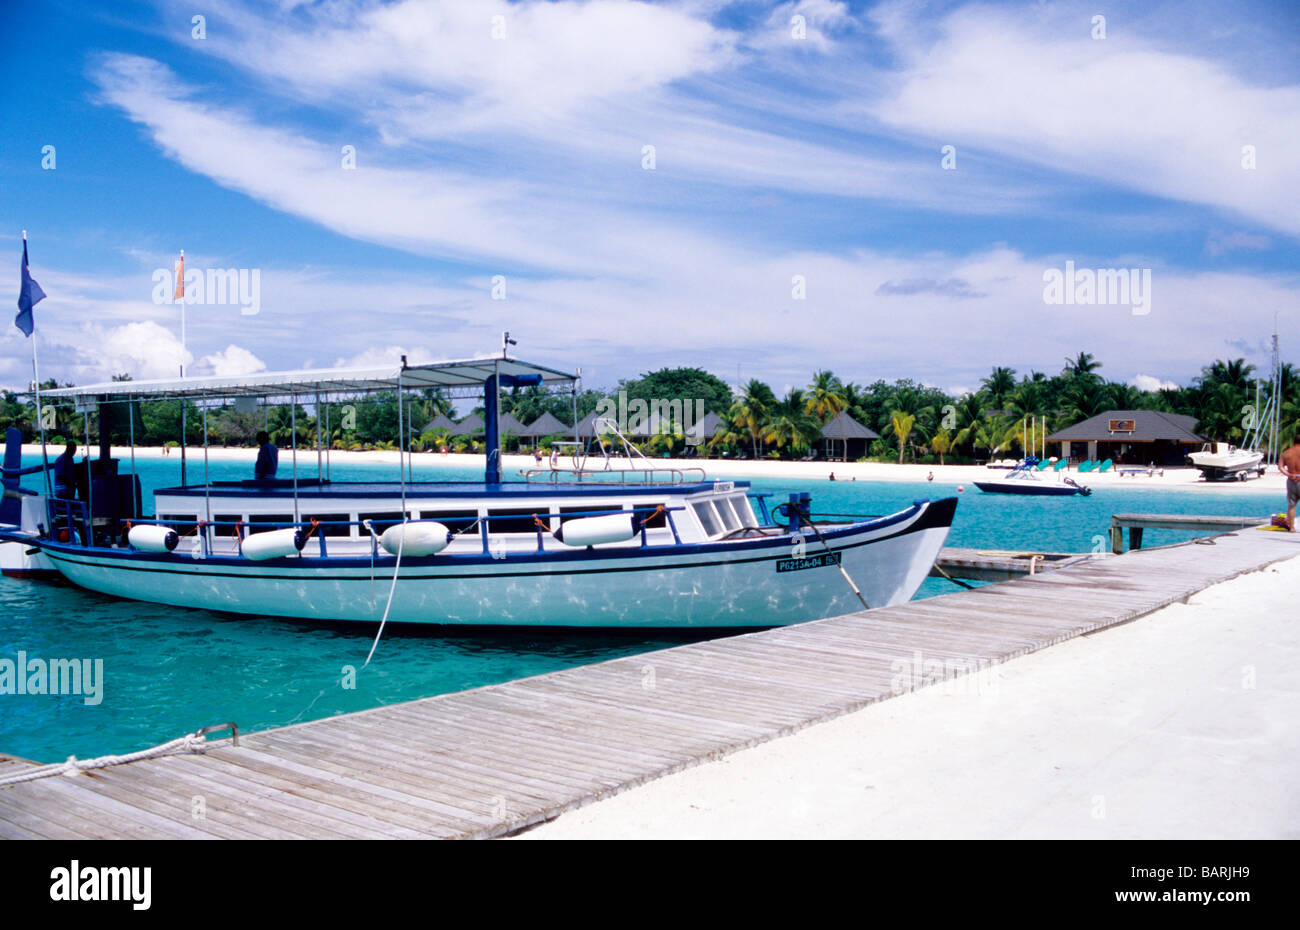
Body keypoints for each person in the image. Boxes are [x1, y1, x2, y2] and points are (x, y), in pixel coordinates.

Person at [1279, 436, 1300, 532]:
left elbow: (1280, 467)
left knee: (1292, 505)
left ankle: (1291, 528)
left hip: (1291, 480)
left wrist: (1290, 475)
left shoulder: (1286, 453)